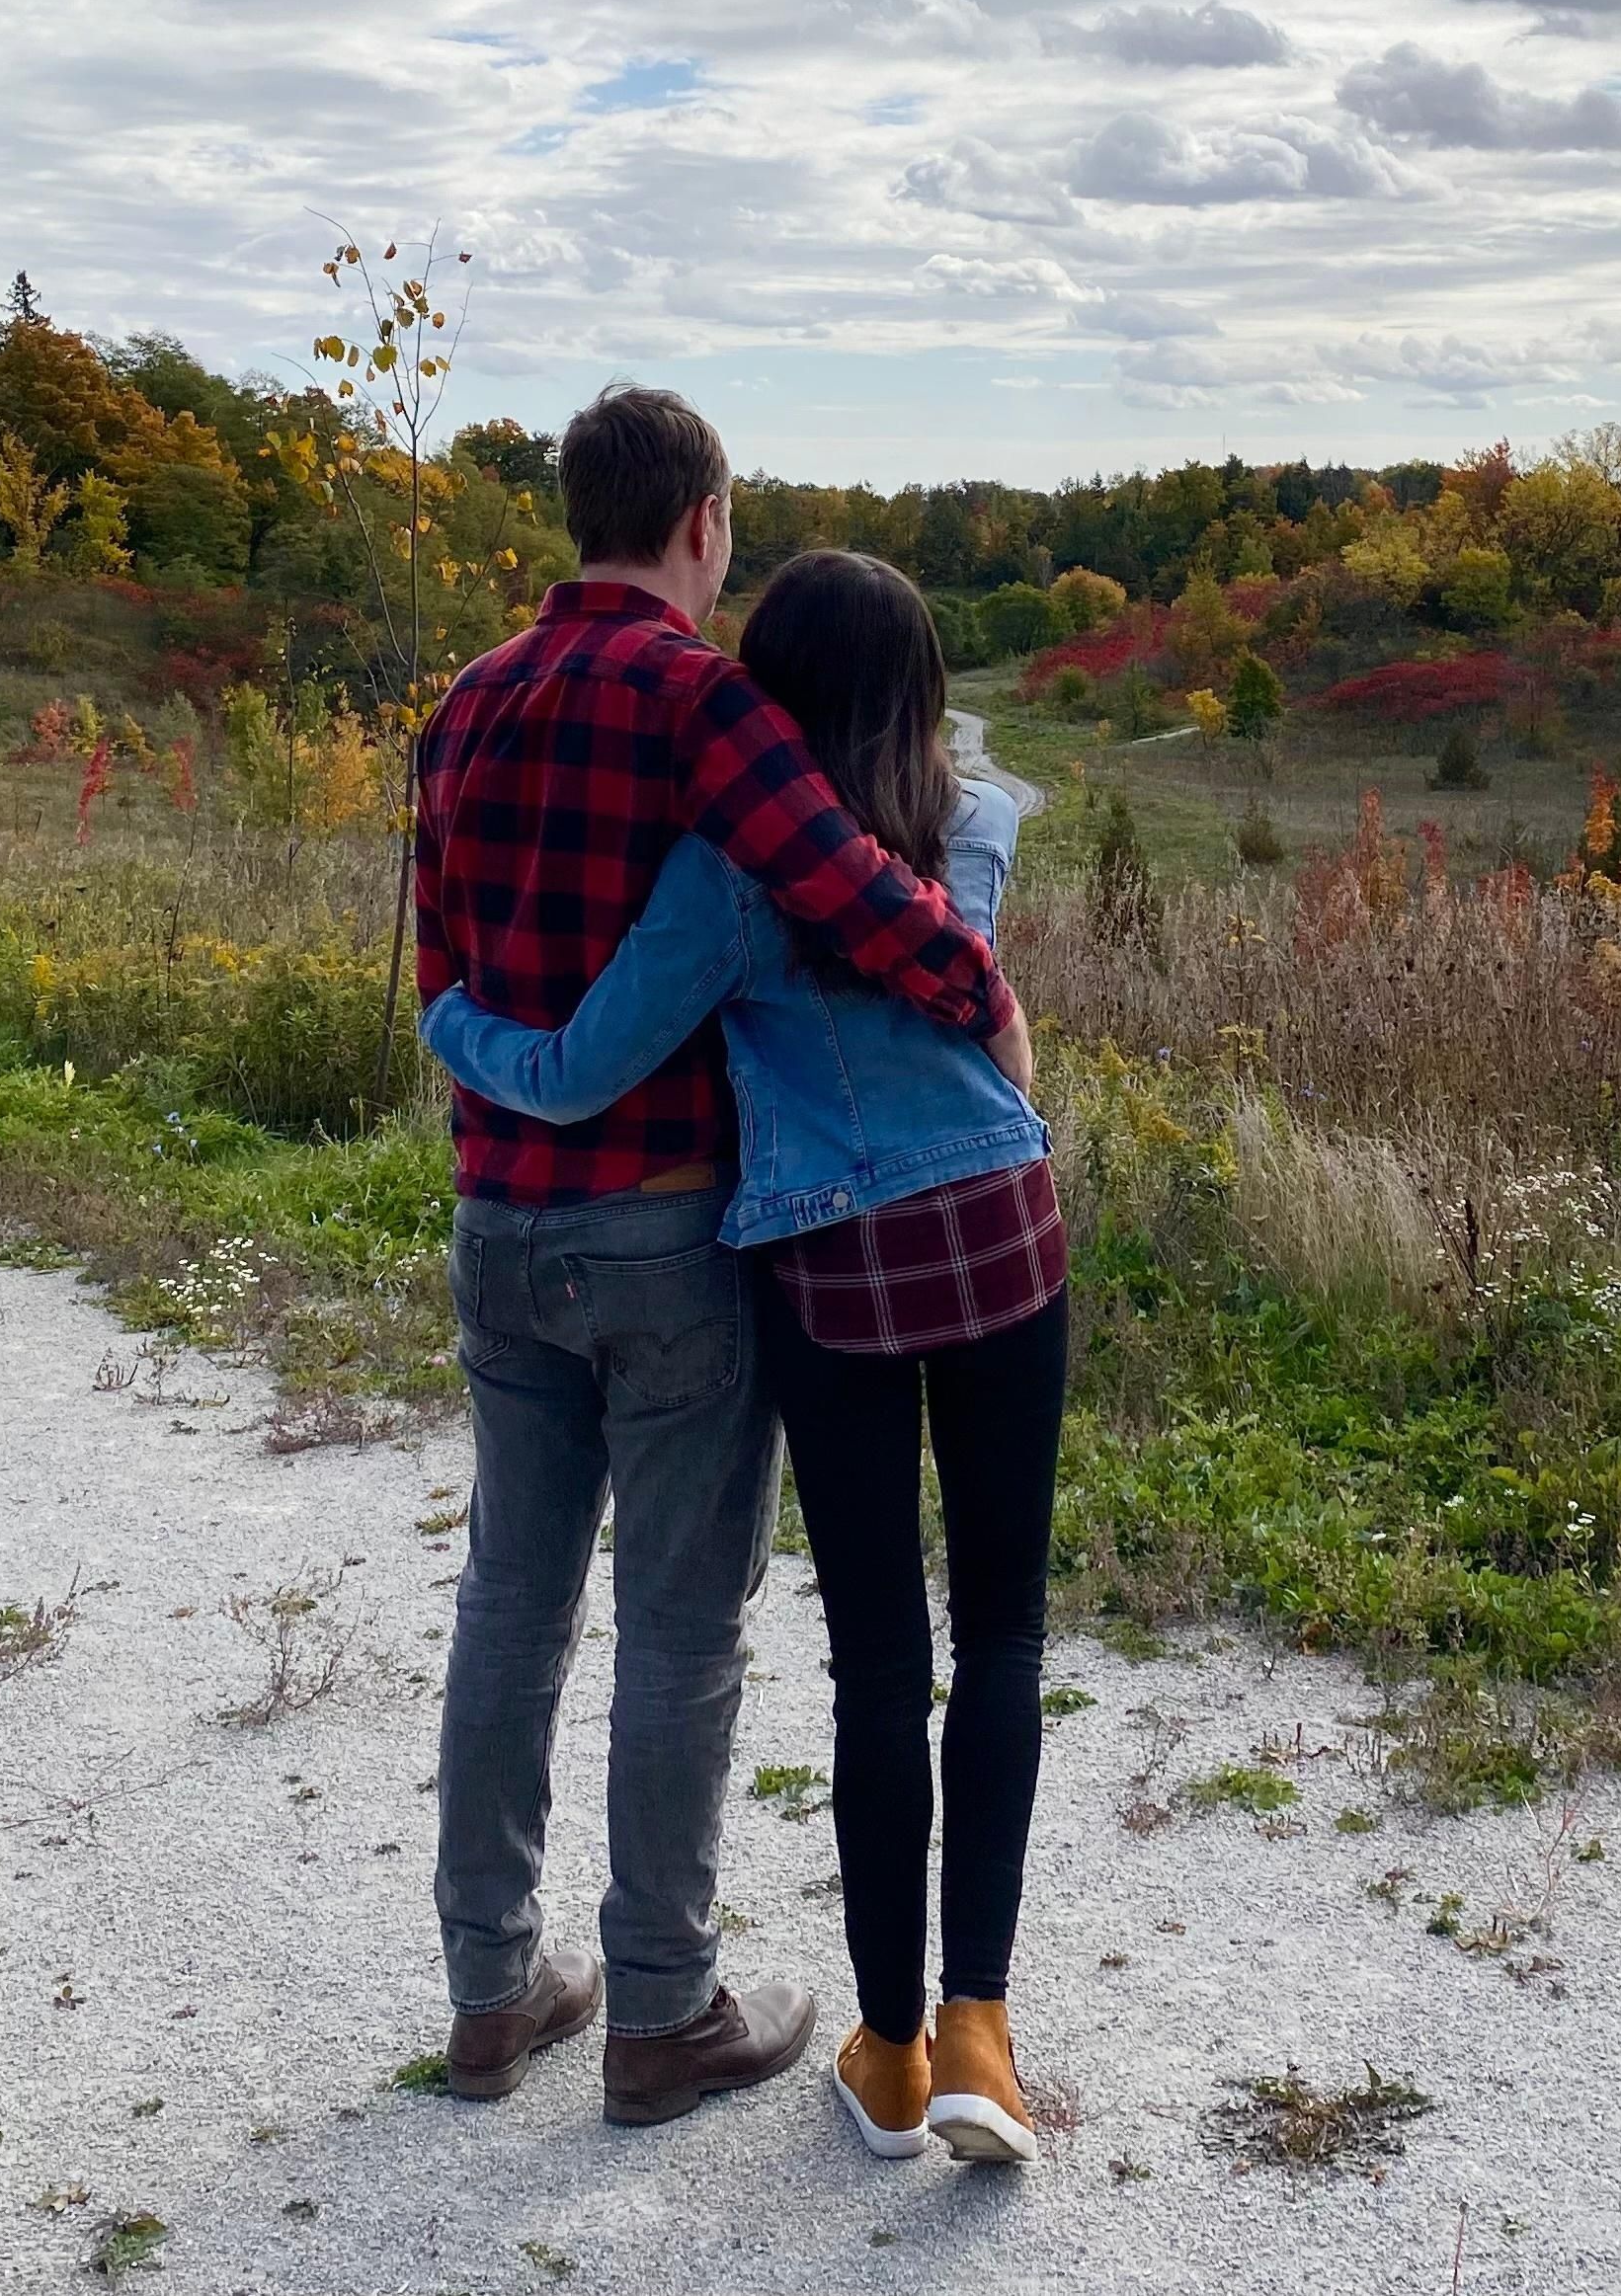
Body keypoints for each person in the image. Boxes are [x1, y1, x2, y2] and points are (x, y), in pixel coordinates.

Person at [412, 390, 1035, 2131]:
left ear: (572, 516)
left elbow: (443, 952)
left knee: (510, 1604)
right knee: (681, 1628)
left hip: (495, 1216)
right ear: (703, 524)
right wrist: (977, 989)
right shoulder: (706, 698)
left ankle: (491, 1989)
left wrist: (475, 1045)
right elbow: (839, 878)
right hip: (664, 1220)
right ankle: (662, 2011)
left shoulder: (460, 702)